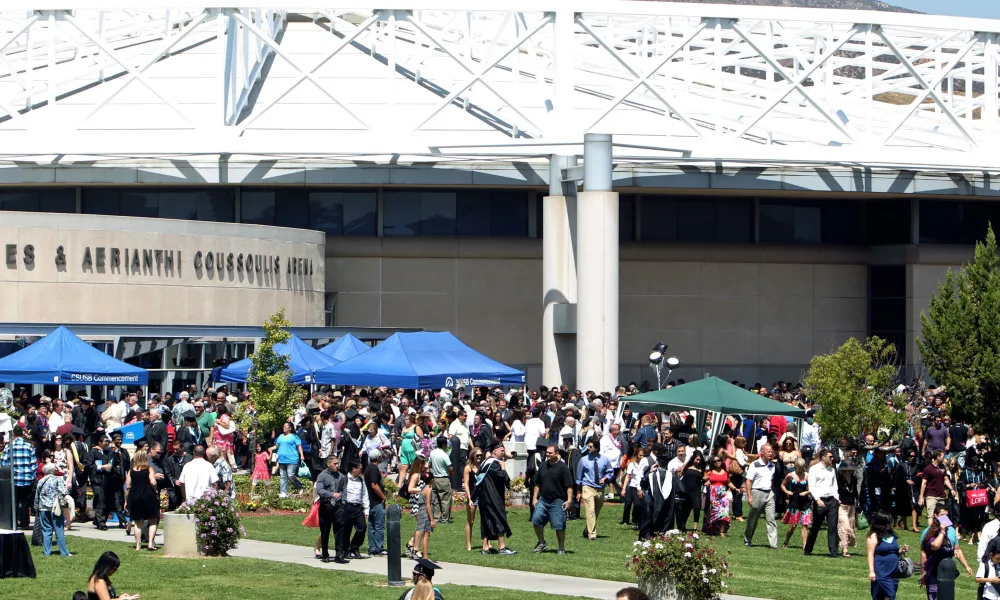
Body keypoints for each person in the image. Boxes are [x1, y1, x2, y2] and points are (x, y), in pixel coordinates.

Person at [922, 507, 974, 600]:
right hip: (933, 573)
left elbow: (956, 549)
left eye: (946, 515)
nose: (945, 518)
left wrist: (966, 566)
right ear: (936, 515)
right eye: (942, 515)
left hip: (947, 574)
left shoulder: (950, 533)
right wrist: (923, 572)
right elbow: (934, 547)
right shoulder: (930, 535)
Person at [531, 443, 574, 554]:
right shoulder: (543, 465)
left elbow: (569, 485)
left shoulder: (563, 467)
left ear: (557, 453)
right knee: (536, 520)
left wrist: (569, 500)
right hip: (543, 500)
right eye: (547, 452)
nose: (548, 454)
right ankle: (541, 543)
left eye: (550, 452)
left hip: (557, 501)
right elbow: (537, 483)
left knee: (559, 525)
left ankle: (561, 548)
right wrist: (535, 498)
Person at [476, 442, 515, 554]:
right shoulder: (494, 464)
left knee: (486, 520)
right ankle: (502, 547)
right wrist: (503, 467)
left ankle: (485, 547)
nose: (503, 453)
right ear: (495, 451)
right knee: (498, 518)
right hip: (493, 497)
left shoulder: (484, 463)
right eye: (501, 451)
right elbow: (503, 478)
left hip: (484, 497)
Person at [576, 437, 614, 541]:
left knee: (595, 512)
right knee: (590, 511)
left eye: (590, 446)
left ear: (596, 448)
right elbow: (579, 477)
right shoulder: (583, 460)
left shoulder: (604, 459)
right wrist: (578, 491)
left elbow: (610, 472)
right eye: (588, 446)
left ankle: (587, 529)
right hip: (587, 487)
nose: (588, 448)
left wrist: (606, 478)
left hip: (600, 489)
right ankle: (592, 535)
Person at [805, 449, 840, 558]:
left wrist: (837, 498)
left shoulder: (832, 470)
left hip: (832, 500)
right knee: (816, 526)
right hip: (820, 501)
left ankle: (834, 551)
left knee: (833, 526)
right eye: (830, 457)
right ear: (823, 457)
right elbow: (812, 486)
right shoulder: (814, 469)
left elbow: (834, 486)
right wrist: (817, 499)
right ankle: (808, 549)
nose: (832, 459)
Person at [867, 511, 909, 600]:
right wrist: (871, 571)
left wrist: (902, 550)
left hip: (894, 572)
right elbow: (870, 554)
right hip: (881, 572)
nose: (891, 524)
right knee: (884, 596)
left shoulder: (891, 535)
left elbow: (894, 551)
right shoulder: (874, 536)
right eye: (889, 522)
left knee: (891, 595)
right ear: (882, 523)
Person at [743, 443, 778, 549]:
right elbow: (748, 481)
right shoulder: (754, 465)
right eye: (769, 451)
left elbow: (771, 480)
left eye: (771, 451)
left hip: (769, 493)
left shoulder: (772, 465)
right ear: (762, 453)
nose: (771, 453)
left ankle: (773, 543)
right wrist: (749, 496)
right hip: (757, 492)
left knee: (771, 518)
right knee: (753, 518)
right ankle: (747, 539)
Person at [124, 450, 159, 552]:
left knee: (138, 522)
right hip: (148, 495)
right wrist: (155, 490)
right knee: (152, 519)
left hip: (135, 496)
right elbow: (153, 481)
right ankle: (150, 543)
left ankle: (138, 545)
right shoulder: (149, 468)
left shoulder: (132, 470)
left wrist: (126, 500)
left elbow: (127, 486)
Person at [34, 462, 71, 557]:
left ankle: (47, 552)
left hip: (43, 509)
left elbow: (37, 497)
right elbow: (64, 491)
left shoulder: (41, 481)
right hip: (55, 508)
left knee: (46, 531)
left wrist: (36, 509)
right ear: (53, 470)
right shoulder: (57, 479)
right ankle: (64, 552)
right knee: (59, 530)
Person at [316, 456, 346, 563]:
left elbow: (344, 489)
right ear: (328, 464)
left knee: (339, 530)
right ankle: (325, 554)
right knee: (325, 531)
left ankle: (339, 555)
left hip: (338, 507)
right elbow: (319, 490)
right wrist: (332, 494)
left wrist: (343, 501)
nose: (337, 466)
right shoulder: (322, 476)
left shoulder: (341, 476)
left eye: (338, 463)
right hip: (326, 506)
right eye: (335, 464)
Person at [338, 461, 370, 560]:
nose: (361, 470)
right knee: (346, 530)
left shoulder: (361, 480)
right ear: (354, 469)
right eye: (360, 468)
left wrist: (366, 509)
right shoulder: (344, 479)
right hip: (347, 507)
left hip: (358, 508)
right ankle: (345, 550)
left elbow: (364, 494)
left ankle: (355, 547)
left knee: (362, 528)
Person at [780, 458, 812, 549]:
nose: (800, 470)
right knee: (793, 525)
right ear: (796, 466)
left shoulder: (807, 476)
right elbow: (782, 485)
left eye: (802, 468)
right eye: (799, 468)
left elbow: (812, 488)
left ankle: (804, 545)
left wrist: (806, 492)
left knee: (805, 524)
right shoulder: (790, 475)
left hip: (805, 501)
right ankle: (786, 541)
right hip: (794, 501)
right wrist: (787, 492)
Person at [407, 455, 434, 559]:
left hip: (420, 501)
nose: (425, 466)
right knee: (420, 527)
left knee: (421, 525)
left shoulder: (421, 474)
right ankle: (415, 548)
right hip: (417, 503)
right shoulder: (415, 475)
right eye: (423, 464)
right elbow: (410, 489)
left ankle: (411, 544)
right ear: (419, 464)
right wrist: (421, 490)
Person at [271, 421, 305, 498]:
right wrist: (272, 448)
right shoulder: (280, 436)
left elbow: (299, 446)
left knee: (290, 475)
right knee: (283, 476)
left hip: (292, 459)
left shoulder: (294, 436)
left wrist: (302, 455)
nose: (284, 428)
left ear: (290, 428)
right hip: (281, 459)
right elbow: (277, 445)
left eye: (286, 427)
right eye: (283, 426)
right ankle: (283, 492)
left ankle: (299, 486)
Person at [920, 450, 953, 524]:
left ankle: (944, 533)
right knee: (931, 515)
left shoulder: (942, 467)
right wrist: (921, 497)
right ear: (937, 457)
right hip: (931, 495)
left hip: (941, 495)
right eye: (942, 457)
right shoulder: (928, 469)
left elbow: (946, 479)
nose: (944, 459)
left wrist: (951, 489)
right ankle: (930, 533)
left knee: (943, 515)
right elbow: (924, 483)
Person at [365, 449, 387, 556]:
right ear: (378, 458)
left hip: (370, 501)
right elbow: (374, 485)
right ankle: (379, 548)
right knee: (379, 526)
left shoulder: (368, 468)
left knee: (372, 526)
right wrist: (383, 497)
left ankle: (372, 547)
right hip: (376, 501)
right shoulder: (374, 469)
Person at [463, 447, 483, 552]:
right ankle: (468, 544)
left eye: (481, 455)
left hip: (483, 495)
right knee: (470, 520)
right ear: (473, 456)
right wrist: (469, 498)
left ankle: (487, 542)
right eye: (477, 455)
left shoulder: (482, 466)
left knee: (484, 519)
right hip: (473, 495)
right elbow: (466, 483)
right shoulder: (468, 468)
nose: (479, 457)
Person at [838, 459, 860, 558]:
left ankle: (846, 545)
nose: (851, 471)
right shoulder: (839, 479)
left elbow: (855, 491)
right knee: (844, 526)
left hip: (851, 506)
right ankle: (844, 549)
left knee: (851, 527)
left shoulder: (854, 479)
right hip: (841, 505)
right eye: (848, 469)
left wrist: (858, 502)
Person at [620, 447, 646, 530]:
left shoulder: (646, 464)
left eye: (643, 455)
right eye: (640, 455)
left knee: (642, 505)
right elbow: (628, 476)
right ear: (637, 455)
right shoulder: (632, 464)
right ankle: (635, 520)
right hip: (634, 486)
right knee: (637, 504)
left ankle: (641, 521)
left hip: (643, 486)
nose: (642, 457)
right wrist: (624, 488)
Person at [429, 436, 453, 523]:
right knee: (445, 500)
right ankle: (445, 518)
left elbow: (430, 464)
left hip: (434, 479)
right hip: (443, 479)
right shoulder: (444, 455)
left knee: (436, 499)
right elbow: (450, 468)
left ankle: (436, 517)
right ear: (443, 444)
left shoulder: (432, 453)